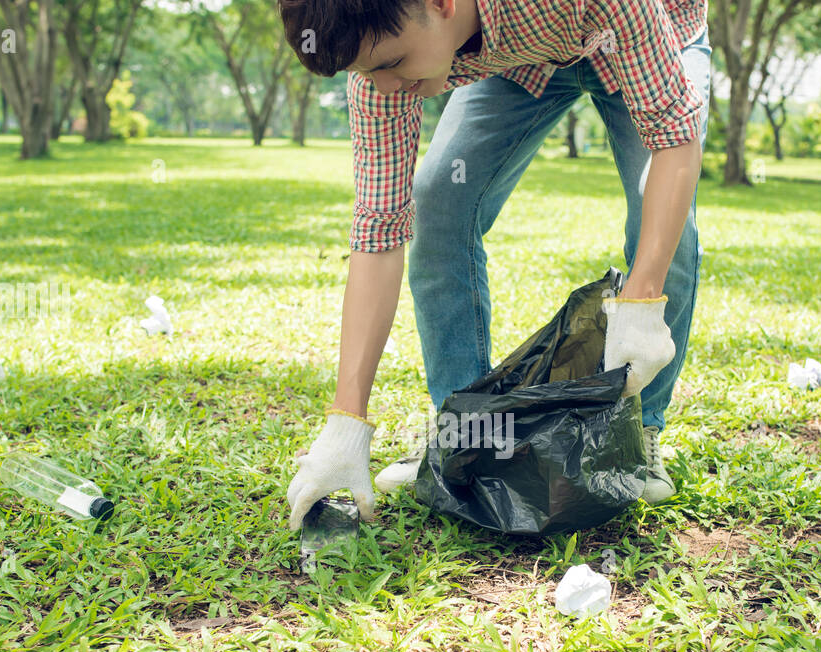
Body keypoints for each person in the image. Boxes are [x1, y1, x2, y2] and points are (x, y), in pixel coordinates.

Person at [281, 0, 712, 529]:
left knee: (664, 214)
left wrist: (643, 301)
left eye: (392, 63)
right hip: (513, 58)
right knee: (441, 198)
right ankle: (465, 436)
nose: (384, 85)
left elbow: (675, 136)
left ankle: (635, 435)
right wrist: (347, 423)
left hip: (647, 26)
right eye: (369, 71)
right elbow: (380, 228)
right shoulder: (379, 68)